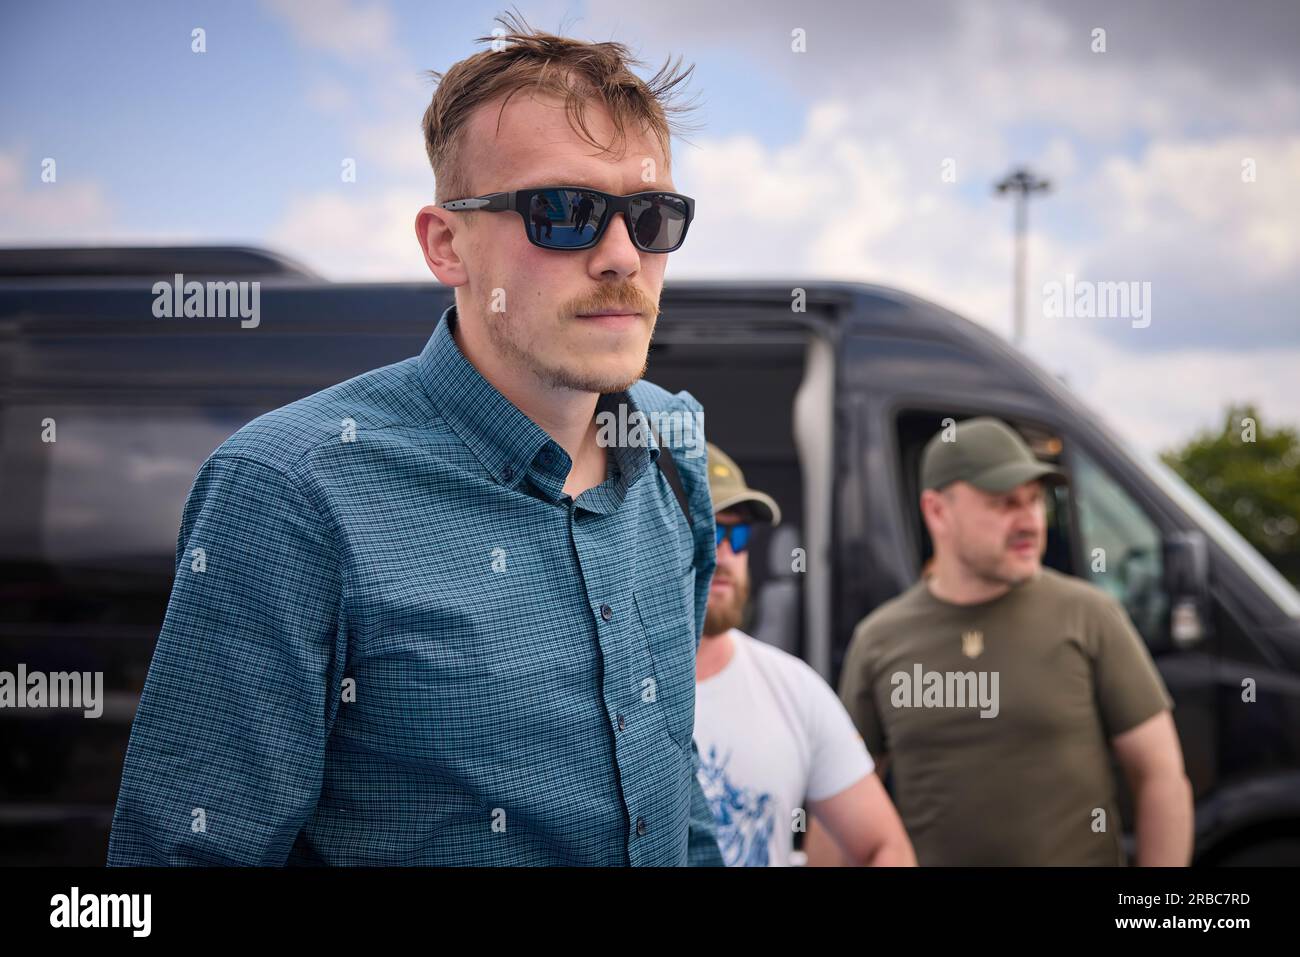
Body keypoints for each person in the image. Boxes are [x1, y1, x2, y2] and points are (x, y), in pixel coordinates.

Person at [108, 13, 722, 866]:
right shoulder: (291, 491)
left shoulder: (672, 447)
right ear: (446, 244)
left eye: (651, 216)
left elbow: (671, 779)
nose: (622, 254)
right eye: (565, 211)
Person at [811, 416, 1193, 866]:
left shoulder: (1089, 616)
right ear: (937, 510)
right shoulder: (880, 640)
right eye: (1003, 503)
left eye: (1034, 501)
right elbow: (839, 802)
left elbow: (1161, 777)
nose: (1030, 521)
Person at [694, 443, 915, 866]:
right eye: (707, 530)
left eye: (738, 535)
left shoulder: (794, 689)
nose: (725, 555)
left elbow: (884, 847)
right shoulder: (603, 692)